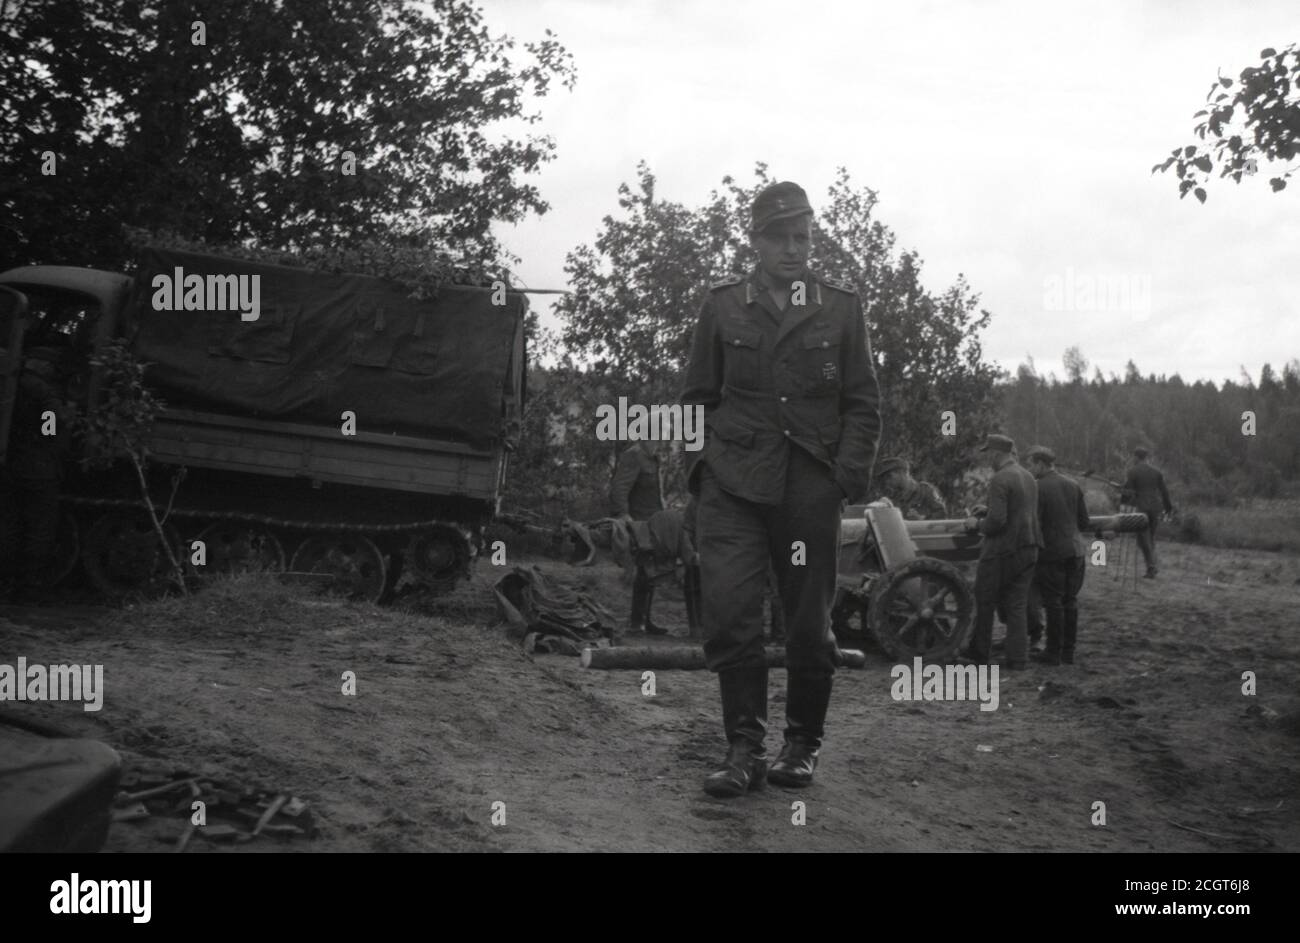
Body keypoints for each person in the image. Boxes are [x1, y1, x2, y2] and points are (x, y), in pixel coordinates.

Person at [681, 181, 882, 797]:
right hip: (733, 486)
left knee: (807, 624)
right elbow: (696, 400)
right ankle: (743, 749)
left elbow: (863, 405)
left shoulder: (840, 308)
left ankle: (802, 745)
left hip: (808, 487)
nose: (793, 248)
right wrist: (700, 471)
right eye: (780, 237)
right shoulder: (723, 306)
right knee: (730, 615)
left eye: (803, 236)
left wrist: (842, 480)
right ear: (756, 241)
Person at [961, 434, 1042, 671]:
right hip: (1030, 547)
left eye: (988, 454)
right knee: (1017, 604)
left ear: (996, 453)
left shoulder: (1000, 478)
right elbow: (1019, 509)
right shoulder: (1028, 476)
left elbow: (997, 522)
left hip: (1003, 550)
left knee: (985, 599)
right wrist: (988, 509)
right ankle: (1017, 659)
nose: (987, 460)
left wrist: (976, 524)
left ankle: (979, 654)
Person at [0, 348, 71, 603]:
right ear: (43, 365)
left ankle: (5, 581)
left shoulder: (10, 383)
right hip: (38, 468)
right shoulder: (43, 391)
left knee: (8, 524)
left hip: (10, 463)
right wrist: (52, 434)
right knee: (39, 529)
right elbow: (51, 422)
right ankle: (29, 587)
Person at [1024, 446, 1090, 665]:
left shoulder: (1037, 487)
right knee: (1070, 601)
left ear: (1041, 464)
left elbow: (1034, 524)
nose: (1029, 469)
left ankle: (1052, 652)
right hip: (1076, 551)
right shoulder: (1073, 484)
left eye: (1031, 464)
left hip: (1052, 554)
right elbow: (1084, 522)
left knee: (1053, 602)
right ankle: (1068, 652)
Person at [610, 438, 667, 634]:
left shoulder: (653, 458)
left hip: (654, 521)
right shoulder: (634, 455)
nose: (661, 441)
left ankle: (645, 619)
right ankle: (637, 622)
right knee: (643, 570)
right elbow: (619, 487)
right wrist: (623, 514)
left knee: (651, 571)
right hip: (639, 521)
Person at [1122, 446, 1173, 579]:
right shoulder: (1156, 472)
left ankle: (1152, 567)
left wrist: (1123, 499)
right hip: (1155, 508)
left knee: (1143, 539)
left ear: (1136, 457)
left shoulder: (1132, 471)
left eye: (1133, 457)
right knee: (1149, 537)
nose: (1133, 459)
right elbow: (1164, 492)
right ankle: (1152, 565)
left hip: (1142, 508)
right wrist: (1168, 508)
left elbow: (1128, 492)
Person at [874, 457, 947, 520]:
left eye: (889, 476)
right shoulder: (893, 499)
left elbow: (942, 515)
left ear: (901, 473)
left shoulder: (925, 491)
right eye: (884, 478)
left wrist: (922, 519)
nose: (886, 481)